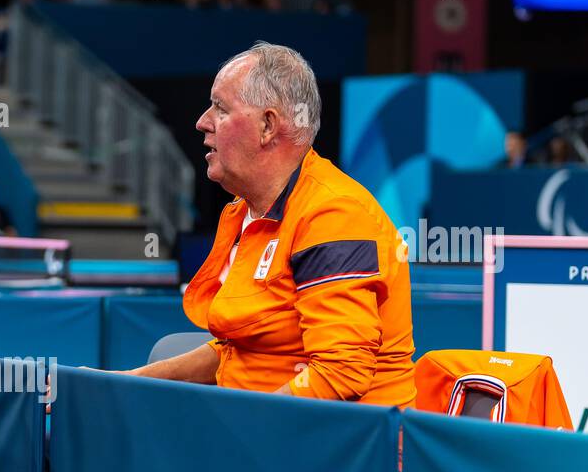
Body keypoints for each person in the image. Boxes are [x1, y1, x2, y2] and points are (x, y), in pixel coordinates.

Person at [122, 41, 416, 407]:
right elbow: (236, 351)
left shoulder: (334, 214)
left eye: (220, 108)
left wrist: (241, 431)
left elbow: (340, 373)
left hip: (339, 451)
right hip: (266, 433)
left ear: (267, 125)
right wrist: (124, 382)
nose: (202, 122)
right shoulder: (243, 212)